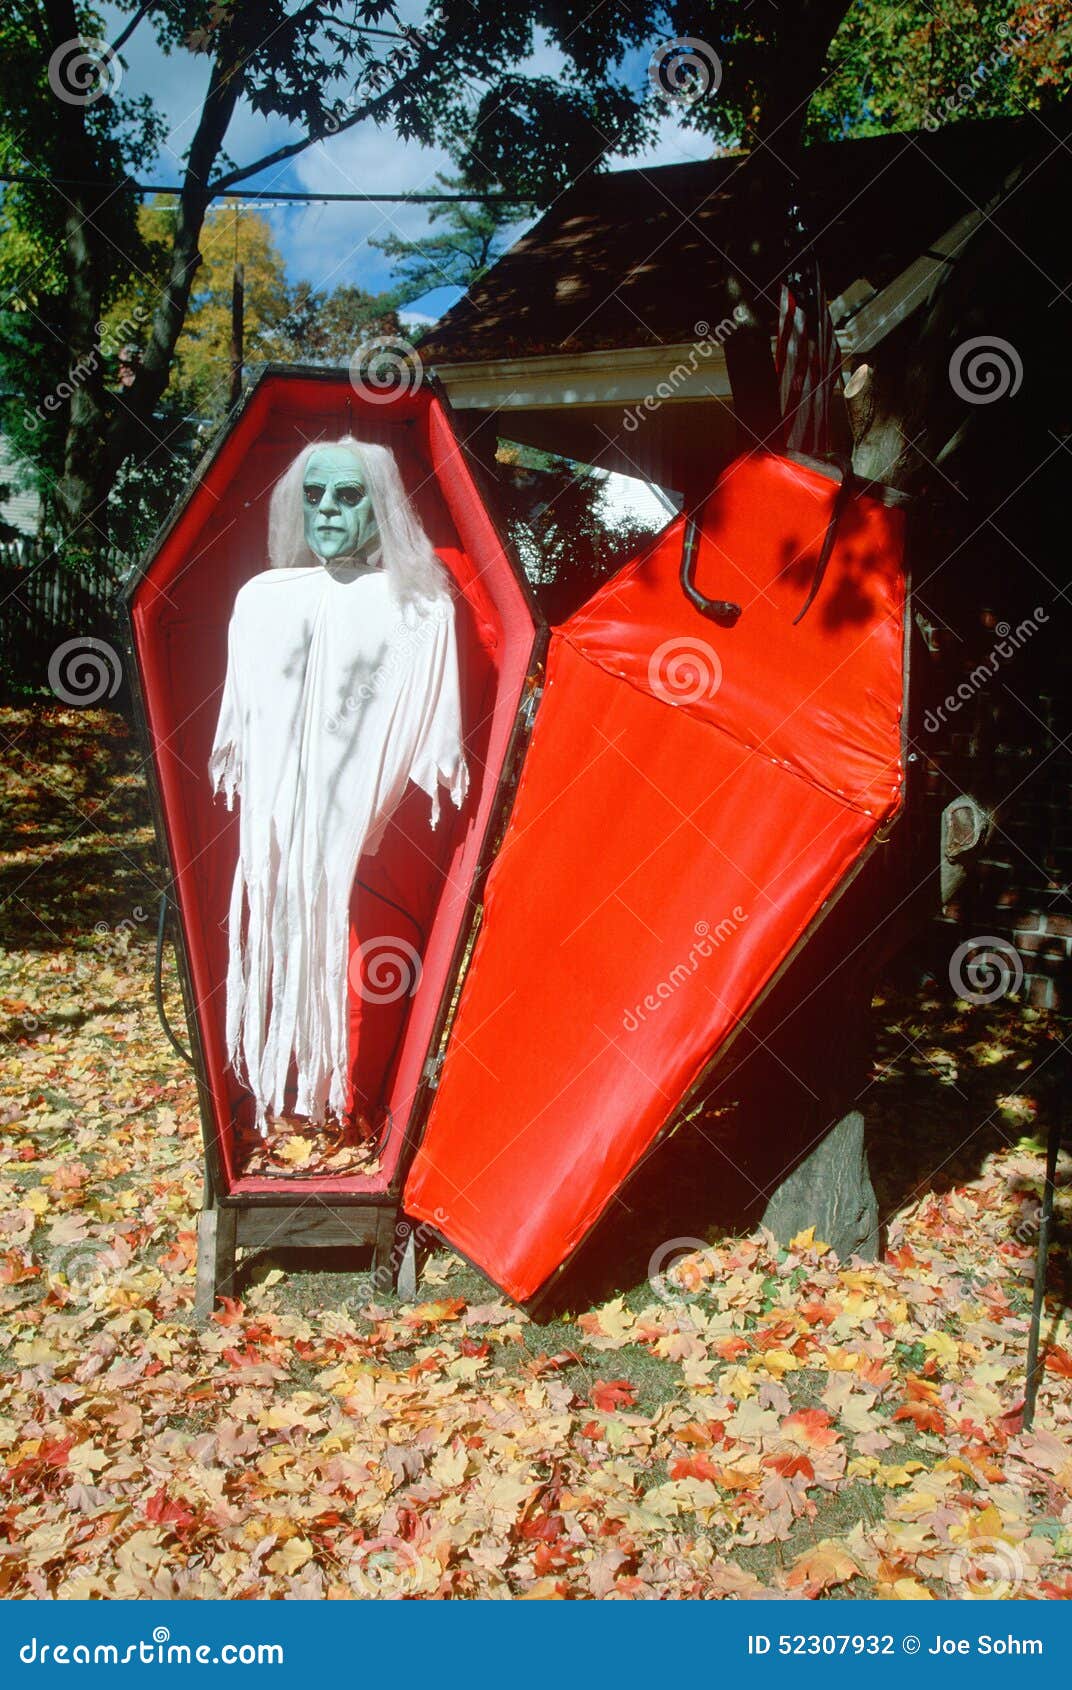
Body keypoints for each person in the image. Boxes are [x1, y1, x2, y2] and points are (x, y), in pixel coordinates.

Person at [210, 439, 468, 1139]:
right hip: (274, 837)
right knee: (275, 938)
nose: (326, 509)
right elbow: (244, 721)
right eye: (314, 494)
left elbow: (434, 740)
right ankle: (280, 1093)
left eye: (348, 496)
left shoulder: (419, 609)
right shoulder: (262, 600)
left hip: (375, 841)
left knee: (366, 973)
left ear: (381, 507)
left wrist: (358, 819)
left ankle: (354, 1105)